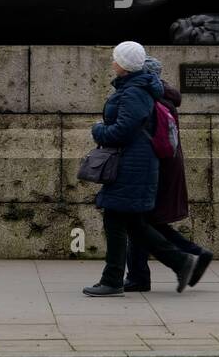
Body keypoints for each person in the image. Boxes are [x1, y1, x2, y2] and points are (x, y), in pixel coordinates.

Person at [83, 41, 199, 298]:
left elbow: (125, 129)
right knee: (133, 223)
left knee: (115, 218)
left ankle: (112, 279)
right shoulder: (137, 86)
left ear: (123, 65)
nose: (112, 62)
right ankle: (181, 263)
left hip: (132, 165)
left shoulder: (134, 90)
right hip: (134, 163)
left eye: (115, 59)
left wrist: (98, 130)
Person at [123, 56, 213, 292]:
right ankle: (141, 275)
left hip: (156, 169)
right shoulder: (163, 98)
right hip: (166, 167)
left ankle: (184, 259)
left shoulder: (152, 101)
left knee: (139, 221)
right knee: (147, 222)